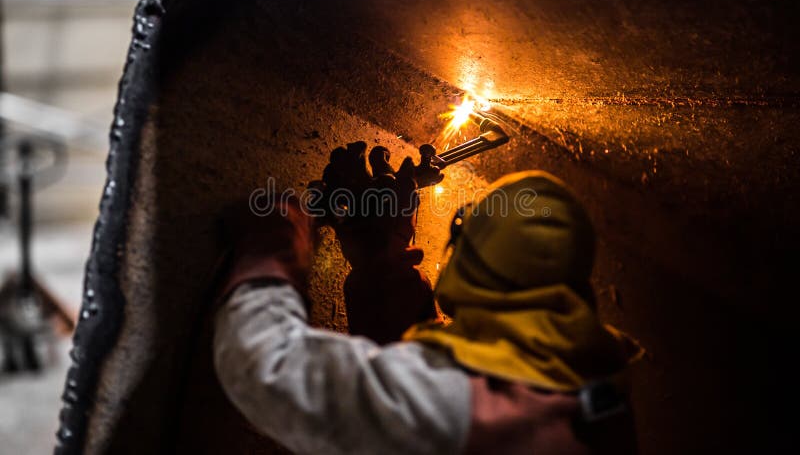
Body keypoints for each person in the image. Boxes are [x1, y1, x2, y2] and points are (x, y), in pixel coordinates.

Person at [214, 142, 638, 455]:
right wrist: (384, 259)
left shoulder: (457, 402)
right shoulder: (596, 400)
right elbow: (416, 380)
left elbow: (266, 367)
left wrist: (275, 242)